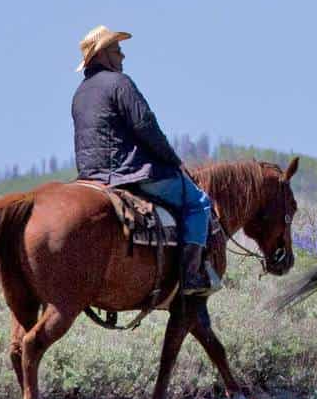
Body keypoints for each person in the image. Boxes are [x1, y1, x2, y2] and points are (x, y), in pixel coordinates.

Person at [71, 26, 215, 293]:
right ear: (102, 55)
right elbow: (145, 126)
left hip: (91, 177)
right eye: (117, 50)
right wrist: (173, 161)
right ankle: (191, 275)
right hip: (130, 174)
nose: (123, 56)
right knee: (199, 203)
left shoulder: (80, 93)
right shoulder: (120, 84)